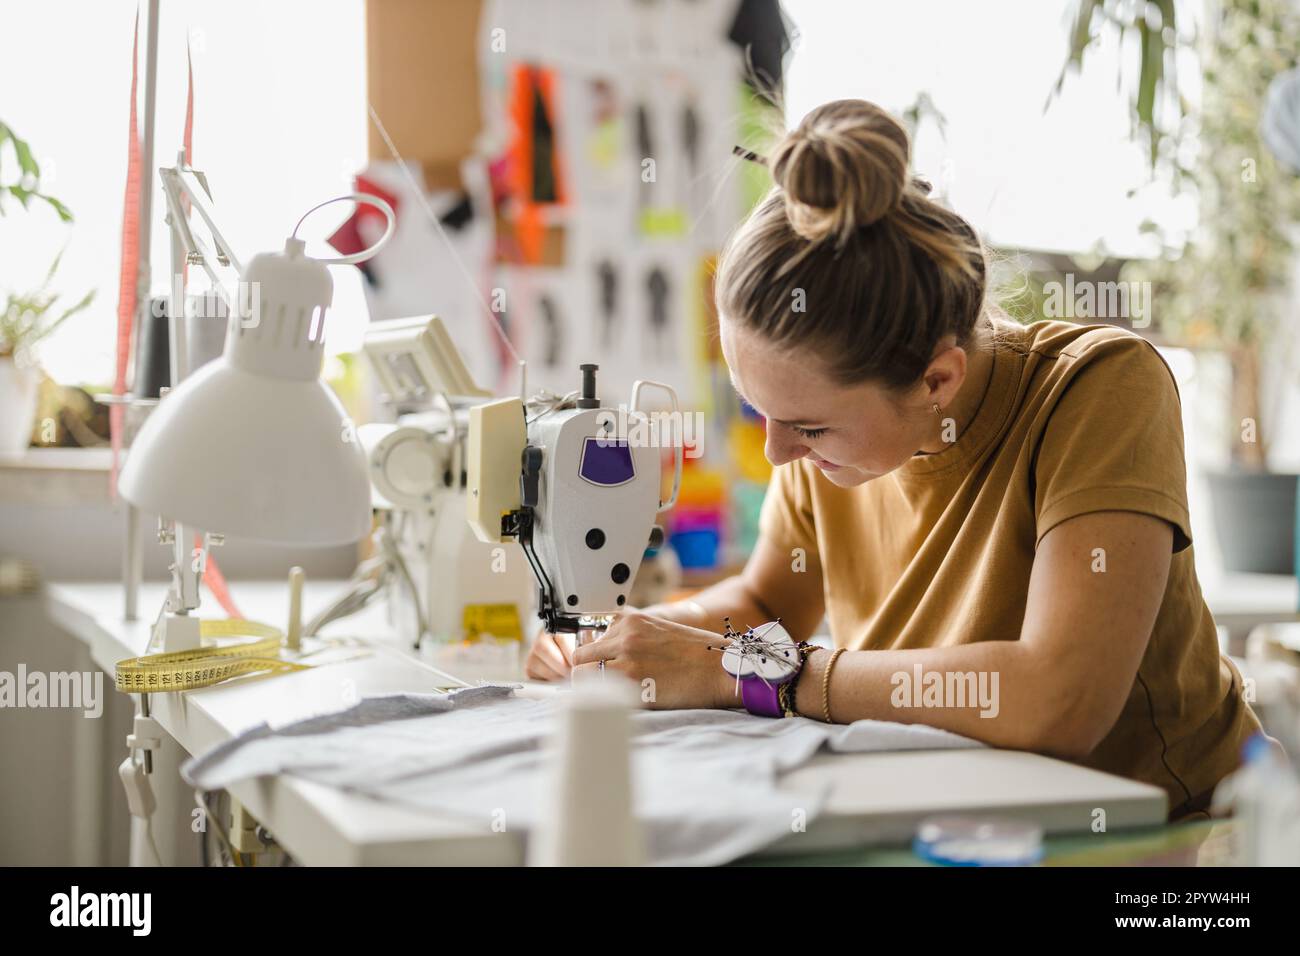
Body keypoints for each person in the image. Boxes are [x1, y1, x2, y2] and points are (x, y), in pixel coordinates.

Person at [526, 98, 1263, 820]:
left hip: (1177, 828)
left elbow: (1057, 699)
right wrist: (627, 645)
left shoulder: (1099, 388)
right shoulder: (825, 456)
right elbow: (763, 607)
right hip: (963, 810)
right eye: (761, 415)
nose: (779, 454)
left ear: (937, 379)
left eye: (808, 428)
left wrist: (753, 673)